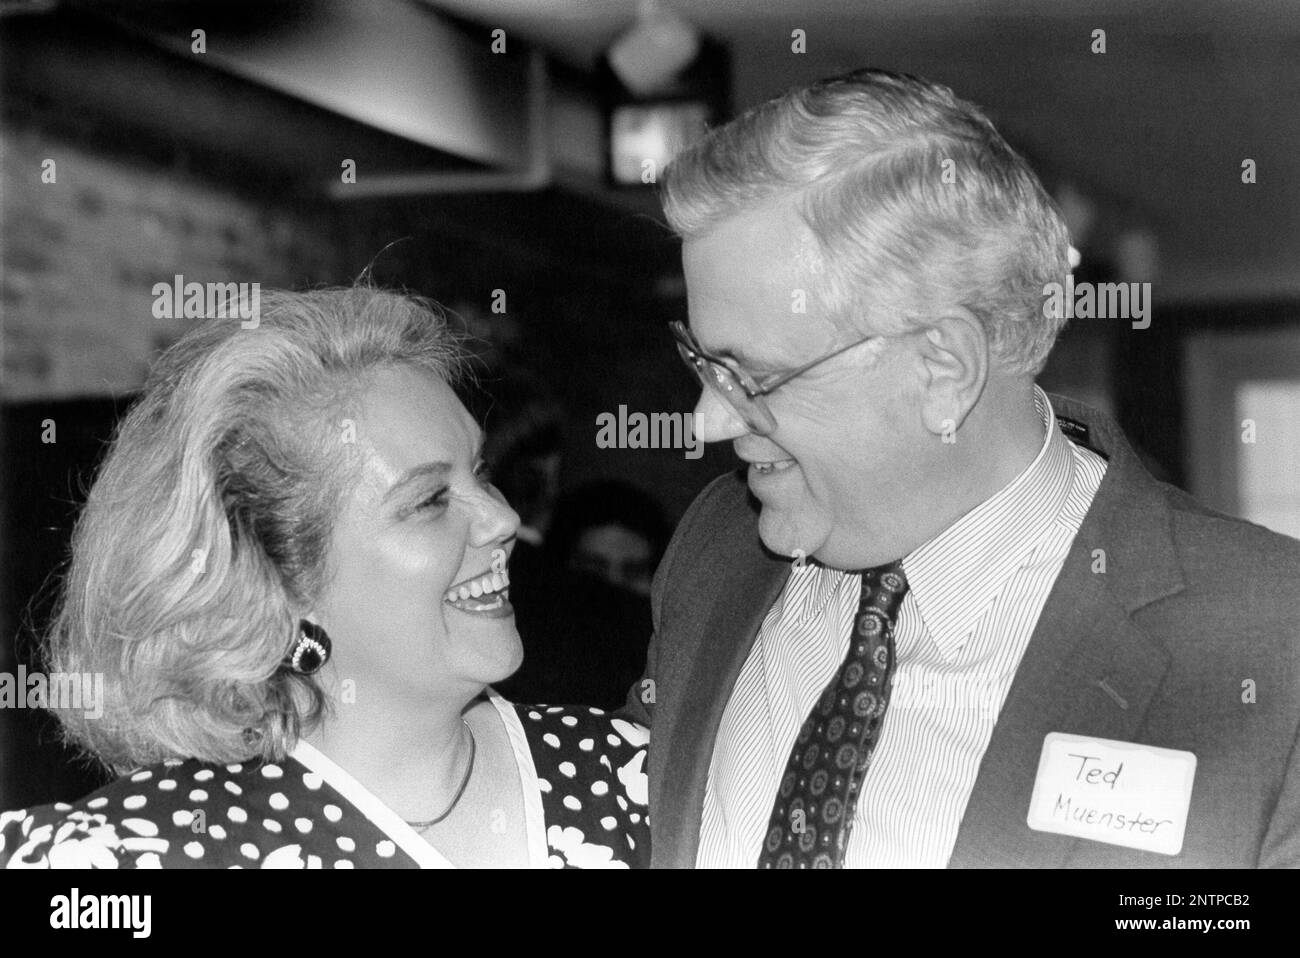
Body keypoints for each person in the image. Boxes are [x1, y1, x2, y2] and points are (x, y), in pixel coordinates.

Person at [621, 68, 1300, 868]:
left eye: (751, 375)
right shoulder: (718, 549)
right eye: (701, 360)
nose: (707, 420)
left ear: (942, 369)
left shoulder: (1269, 638)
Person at [0, 288, 648, 869]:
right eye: (429, 501)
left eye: (479, 474)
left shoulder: (630, 777)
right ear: (280, 579)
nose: (503, 518)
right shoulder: (119, 857)